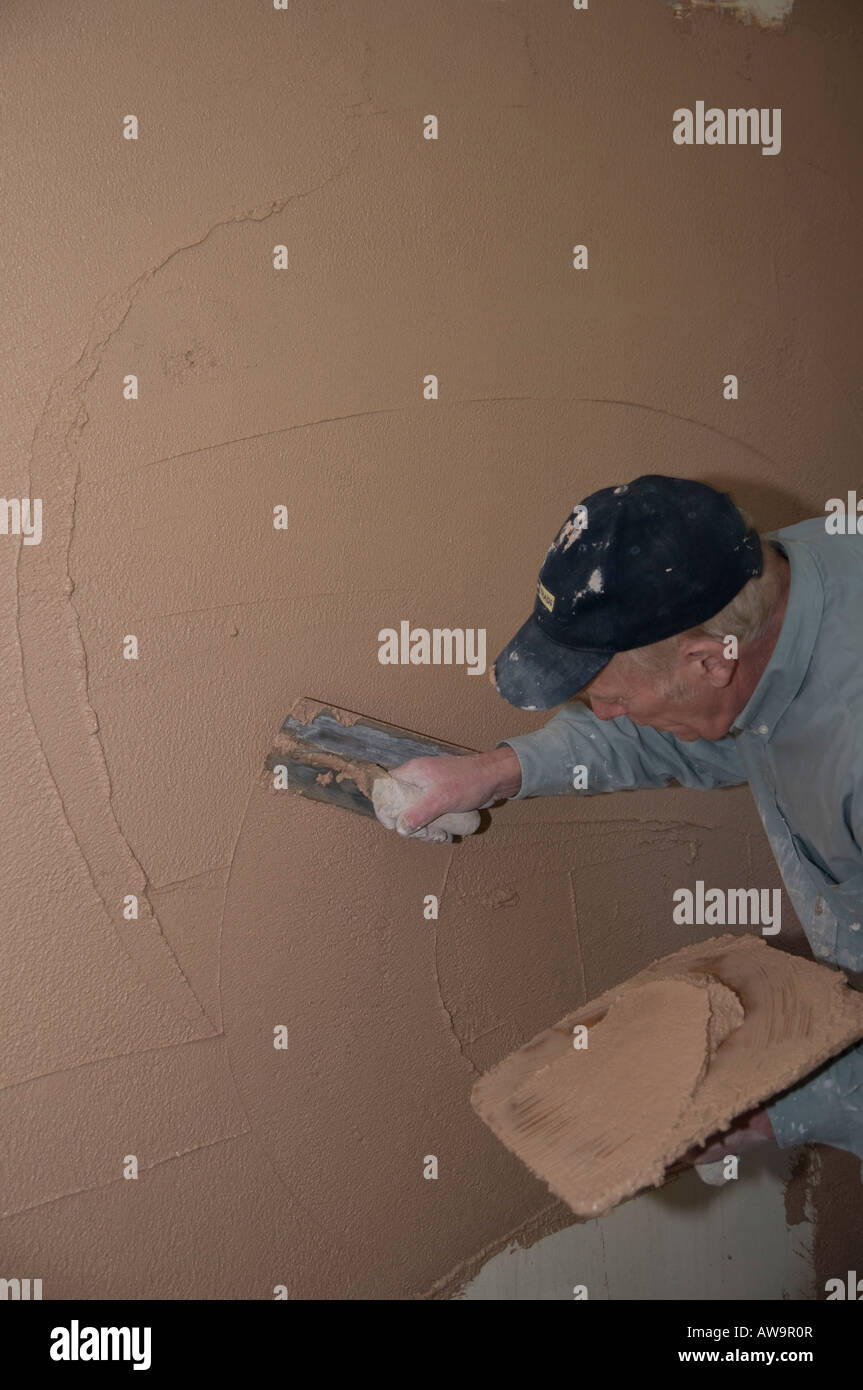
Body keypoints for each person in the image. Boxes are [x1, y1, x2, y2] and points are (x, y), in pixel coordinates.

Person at [376, 475, 863, 1163]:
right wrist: (492, 773)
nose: (602, 713)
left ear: (705, 661)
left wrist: (783, 1113)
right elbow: (675, 723)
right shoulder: (762, 589)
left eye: (607, 698)